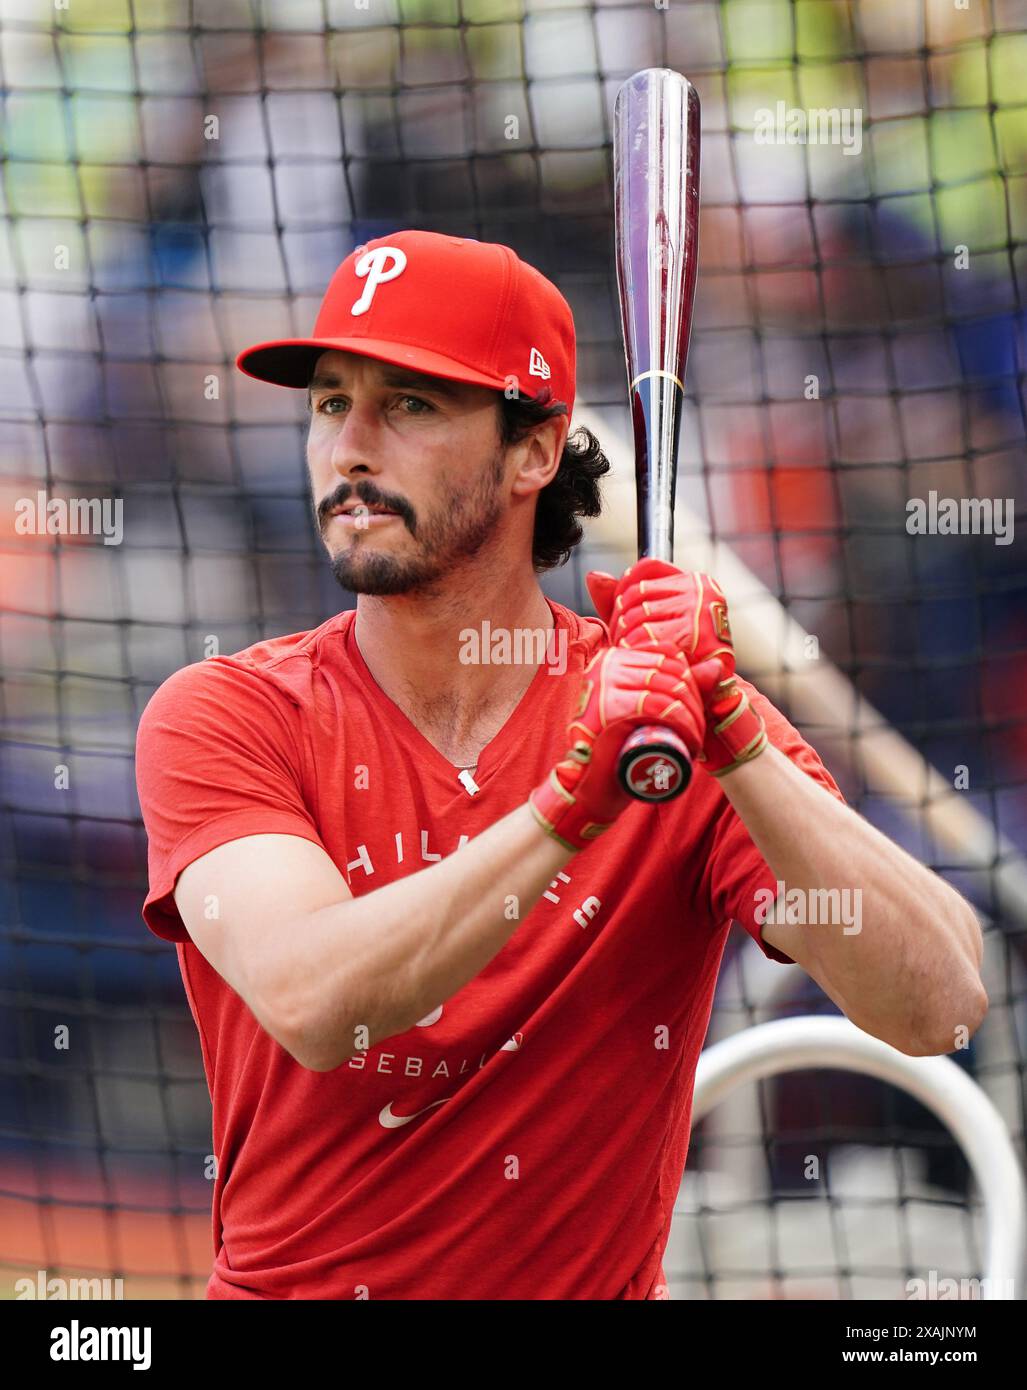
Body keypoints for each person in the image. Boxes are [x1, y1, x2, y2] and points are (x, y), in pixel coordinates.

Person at [134, 230, 986, 1300]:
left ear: (534, 451)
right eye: (327, 402)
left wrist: (734, 733)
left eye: (408, 404)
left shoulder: (671, 722)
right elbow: (316, 1000)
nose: (348, 446)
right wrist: (566, 808)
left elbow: (940, 1004)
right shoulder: (227, 712)